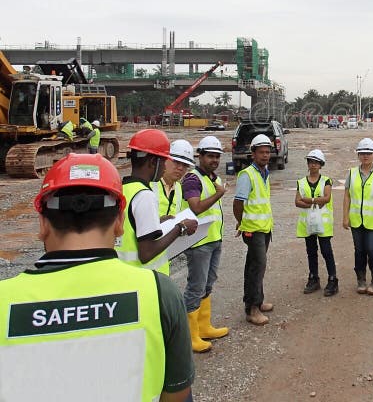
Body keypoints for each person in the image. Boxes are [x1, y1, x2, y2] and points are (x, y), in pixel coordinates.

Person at [0, 154, 194, 401]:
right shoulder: (160, 293)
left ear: (42, 224)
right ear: (120, 223)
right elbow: (177, 392)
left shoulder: (5, 300)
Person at [116, 128, 198, 275]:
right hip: (144, 276)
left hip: (123, 274)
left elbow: (130, 227)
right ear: (153, 162)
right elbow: (146, 254)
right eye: (164, 161)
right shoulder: (144, 195)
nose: (165, 166)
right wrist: (180, 228)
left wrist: (156, 223)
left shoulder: (122, 188)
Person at [182, 135, 228, 352]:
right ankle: (190, 336)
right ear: (199, 156)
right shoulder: (192, 179)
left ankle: (204, 327)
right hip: (199, 243)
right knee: (196, 287)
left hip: (214, 239)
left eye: (217, 156)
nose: (214, 160)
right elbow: (196, 207)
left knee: (208, 284)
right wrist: (219, 194)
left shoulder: (213, 178)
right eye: (210, 156)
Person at [233, 134, 276, 326]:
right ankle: (252, 309)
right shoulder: (247, 175)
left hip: (264, 228)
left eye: (267, 152)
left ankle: (257, 301)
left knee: (255, 266)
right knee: (257, 267)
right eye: (261, 152)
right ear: (253, 153)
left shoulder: (264, 173)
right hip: (253, 230)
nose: (265, 155)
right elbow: (238, 203)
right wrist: (240, 222)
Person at [342, 137, 373, 295]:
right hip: (356, 221)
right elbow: (347, 196)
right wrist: (345, 217)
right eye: (362, 153)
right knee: (359, 251)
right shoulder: (352, 173)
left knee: (372, 250)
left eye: (368, 153)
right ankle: (361, 280)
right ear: (358, 154)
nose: (365, 156)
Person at [295, 149, 338, 296]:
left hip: (323, 224)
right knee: (311, 251)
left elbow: (326, 198)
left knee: (326, 251)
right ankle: (313, 278)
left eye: (316, 162)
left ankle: (332, 279)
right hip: (308, 223)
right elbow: (297, 201)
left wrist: (309, 200)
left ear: (321, 165)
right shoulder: (301, 182)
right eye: (311, 162)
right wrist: (315, 202)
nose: (313, 165)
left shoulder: (326, 181)